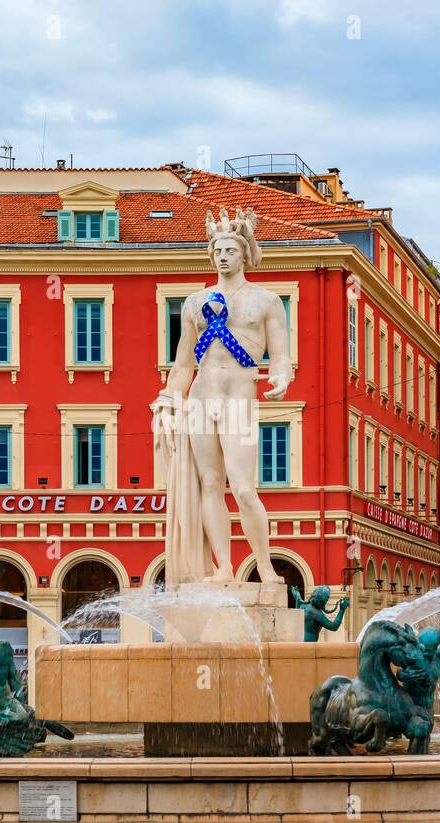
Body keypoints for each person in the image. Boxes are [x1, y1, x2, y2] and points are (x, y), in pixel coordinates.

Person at [152, 207, 293, 585]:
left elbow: (281, 355)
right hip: (201, 397)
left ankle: (263, 565)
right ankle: (225, 568)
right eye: (218, 251)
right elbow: (182, 364)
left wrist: (281, 378)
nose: (224, 257)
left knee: (244, 488)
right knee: (210, 485)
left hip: (239, 397)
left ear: (244, 253)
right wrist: (168, 399)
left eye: (230, 250)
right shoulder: (195, 303)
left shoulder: (266, 301)